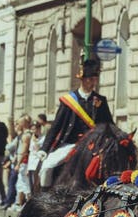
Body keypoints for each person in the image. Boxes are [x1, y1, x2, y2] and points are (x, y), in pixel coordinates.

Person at [39, 58, 113, 187]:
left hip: (92, 147)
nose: (93, 83)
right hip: (70, 145)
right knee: (46, 167)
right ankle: (44, 199)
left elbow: (109, 125)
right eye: (90, 80)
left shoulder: (100, 101)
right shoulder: (68, 101)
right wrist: (44, 148)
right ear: (82, 80)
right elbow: (56, 126)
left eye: (95, 80)